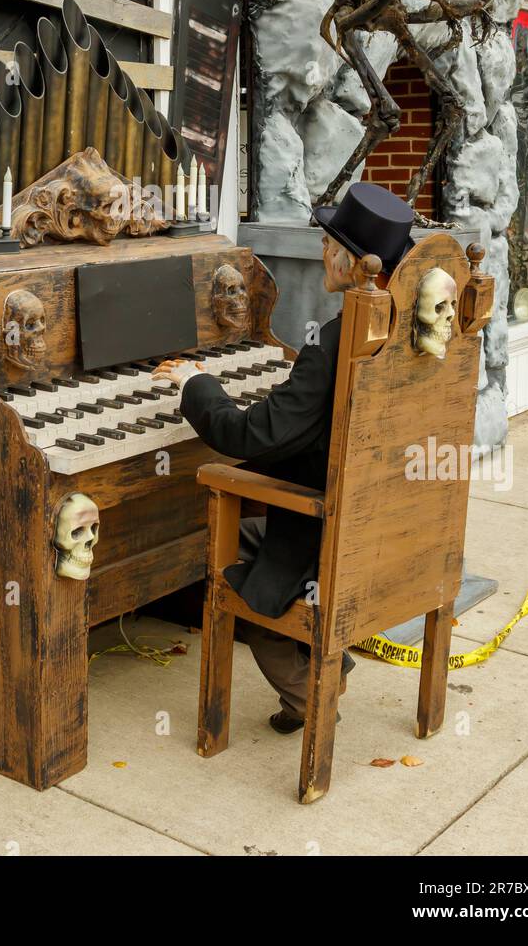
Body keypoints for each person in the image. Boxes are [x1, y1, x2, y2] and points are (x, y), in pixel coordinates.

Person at [153, 182, 415, 734]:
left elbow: (251, 437)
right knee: (240, 529)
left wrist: (197, 382)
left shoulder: (335, 345)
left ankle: (310, 696)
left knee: (254, 581)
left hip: (328, 529)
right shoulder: (409, 332)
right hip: (391, 527)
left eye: (328, 242)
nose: (322, 252)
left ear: (352, 261)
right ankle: (331, 657)